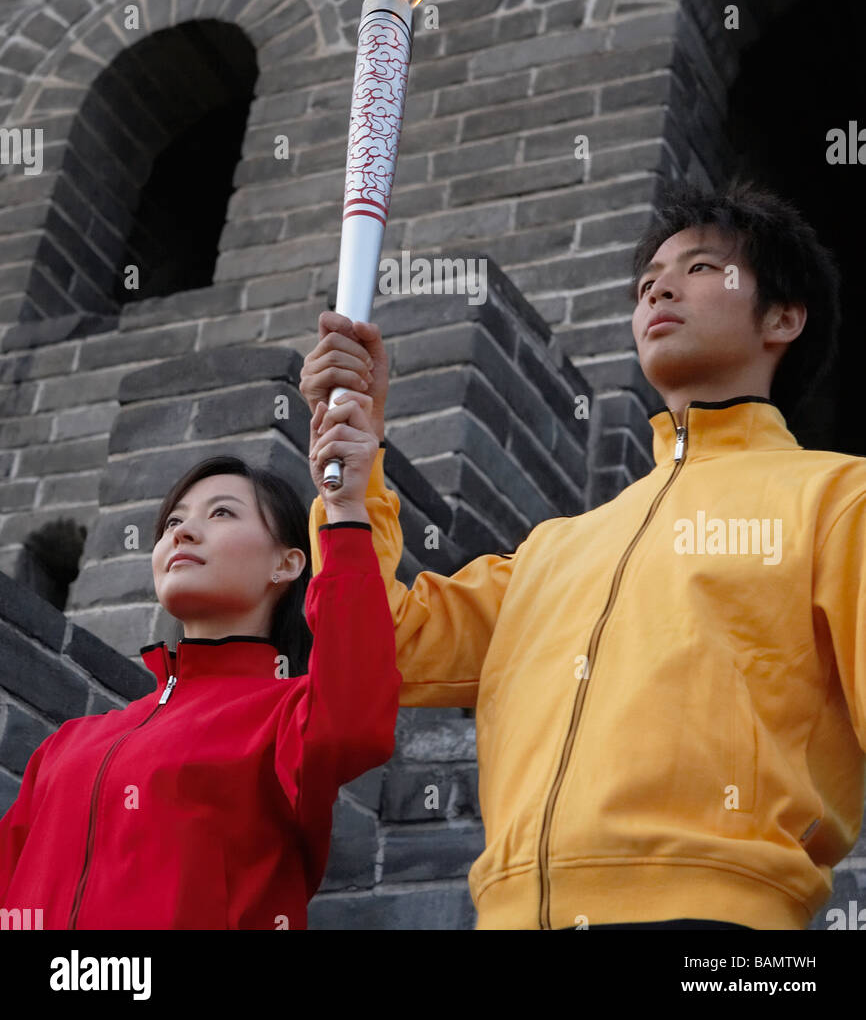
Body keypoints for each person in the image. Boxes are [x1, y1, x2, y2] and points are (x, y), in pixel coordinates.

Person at [299, 178, 866, 931]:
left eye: (699, 268)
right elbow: (383, 646)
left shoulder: (838, 499)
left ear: (784, 318)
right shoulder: (552, 551)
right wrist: (354, 489)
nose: (660, 287)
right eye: (645, 282)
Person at [0, 390, 400, 930]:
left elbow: (357, 717)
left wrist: (346, 511)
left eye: (221, 513)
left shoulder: (288, 716)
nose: (181, 531)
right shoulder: (65, 746)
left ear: (286, 564)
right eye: (171, 523)